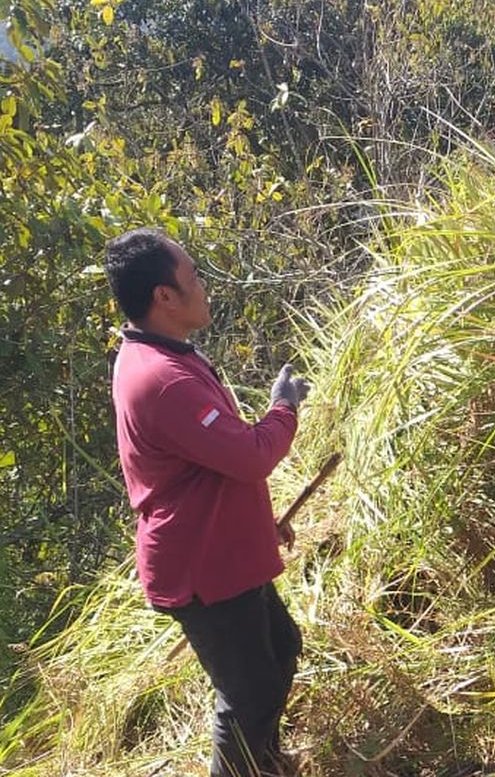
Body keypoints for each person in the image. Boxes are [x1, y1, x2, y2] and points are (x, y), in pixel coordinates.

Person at [105, 228, 310, 777]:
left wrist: (258, 521)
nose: (203, 285)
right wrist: (283, 406)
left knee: (280, 650)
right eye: (193, 275)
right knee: (248, 695)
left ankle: (263, 764)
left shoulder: (159, 353)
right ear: (163, 297)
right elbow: (249, 455)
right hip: (203, 566)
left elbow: (204, 465)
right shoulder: (163, 380)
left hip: (222, 549)